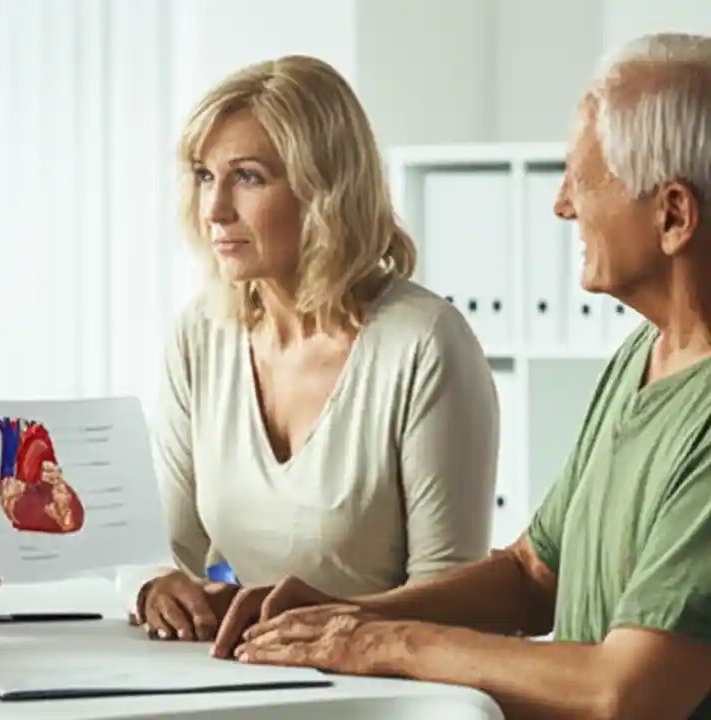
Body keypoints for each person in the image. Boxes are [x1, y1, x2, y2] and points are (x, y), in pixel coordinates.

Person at [229, 33, 711, 720]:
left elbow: (627, 691)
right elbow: (534, 573)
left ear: (672, 216)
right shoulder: (645, 353)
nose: (561, 204)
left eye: (583, 178)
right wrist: (342, 616)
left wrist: (384, 643)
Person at [123, 55, 500, 649]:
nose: (215, 209)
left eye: (247, 177)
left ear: (325, 188)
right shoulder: (202, 332)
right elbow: (162, 544)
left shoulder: (425, 343)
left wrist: (326, 629)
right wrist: (154, 586)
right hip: (250, 676)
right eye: (203, 176)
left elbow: (451, 600)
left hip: (388, 686)